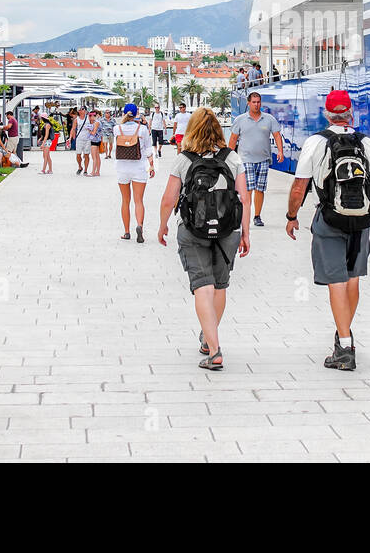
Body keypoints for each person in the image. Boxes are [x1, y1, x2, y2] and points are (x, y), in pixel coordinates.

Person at [284, 89, 370, 371]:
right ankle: (344, 333)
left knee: (336, 281)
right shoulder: (366, 143)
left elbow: (299, 186)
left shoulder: (316, 142)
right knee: (353, 279)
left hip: (330, 219)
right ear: (351, 113)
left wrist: (291, 216)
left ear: (327, 114)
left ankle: (344, 345)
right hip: (362, 221)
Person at [157, 107, 250, 371]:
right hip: (227, 230)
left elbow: (168, 199)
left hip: (192, 229)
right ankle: (209, 341)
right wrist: (246, 232)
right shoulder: (232, 158)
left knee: (202, 287)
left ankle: (215, 348)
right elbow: (244, 197)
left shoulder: (184, 159)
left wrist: (162, 226)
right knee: (219, 286)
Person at [228, 92, 285, 228]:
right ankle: (245, 214)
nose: (256, 104)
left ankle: (257, 216)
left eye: (258, 102)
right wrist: (229, 156)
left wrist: (281, 151)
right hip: (245, 159)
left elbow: (277, 135)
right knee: (248, 189)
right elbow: (233, 138)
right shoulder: (240, 120)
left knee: (260, 189)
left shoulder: (269, 119)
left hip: (263, 159)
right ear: (248, 103)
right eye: (253, 102)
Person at [115, 103, 155, 241]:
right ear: (136, 114)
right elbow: (149, 149)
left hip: (122, 168)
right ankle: (139, 226)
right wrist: (152, 166)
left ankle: (126, 232)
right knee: (139, 201)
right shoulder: (142, 129)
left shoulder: (117, 128)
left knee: (125, 201)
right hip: (139, 167)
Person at [87, 110, 104, 176]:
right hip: (98, 140)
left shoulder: (96, 122)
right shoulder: (98, 122)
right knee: (97, 157)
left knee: (94, 157)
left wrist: (89, 131)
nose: (90, 117)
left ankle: (93, 172)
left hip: (94, 140)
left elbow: (93, 133)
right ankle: (97, 171)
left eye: (91, 115)